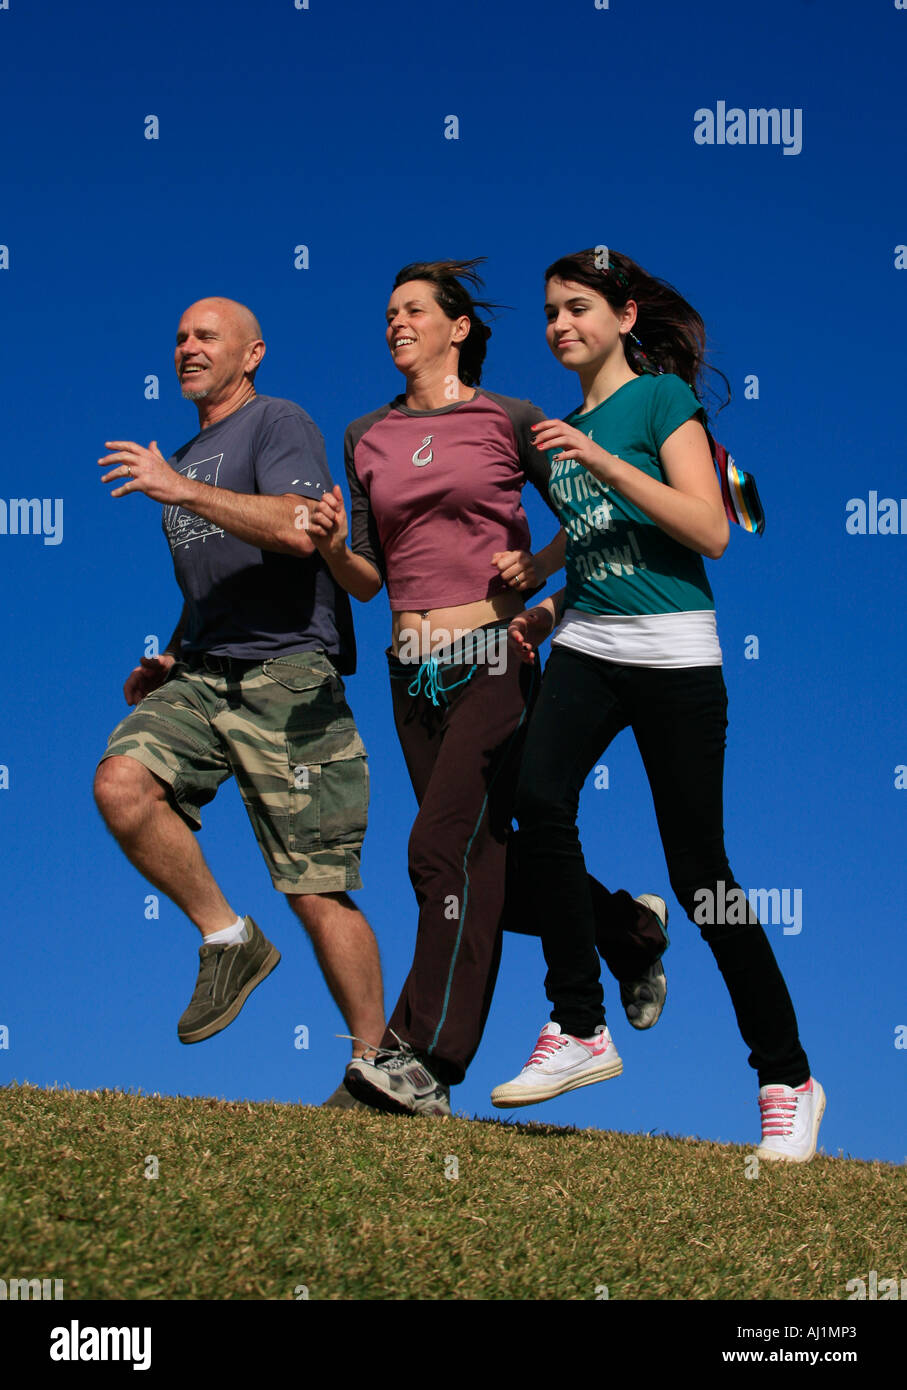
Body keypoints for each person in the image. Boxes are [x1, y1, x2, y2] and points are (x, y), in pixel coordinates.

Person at [308, 260, 669, 1118]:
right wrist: (327, 543)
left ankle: (420, 1060)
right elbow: (366, 578)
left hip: (494, 659)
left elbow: (594, 520)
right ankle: (627, 929)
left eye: (413, 311)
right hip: (410, 675)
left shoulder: (510, 420)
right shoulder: (365, 434)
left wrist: (544, 592)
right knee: (478, 863)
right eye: (387, 312)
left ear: (457, 327)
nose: (395, 323)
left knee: (437, 851)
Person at [491, 249, 825, 1163]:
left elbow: (707, 528)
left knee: (700, 875)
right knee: (533, 797)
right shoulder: (566, 431)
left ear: (625, 316)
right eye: (550, 312)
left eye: (577, 308)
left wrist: (596, 457)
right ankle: (579, 1026)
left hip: (676, 653)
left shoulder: (659, 405)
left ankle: (787, 1079)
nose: (559, 325)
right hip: (590, 645)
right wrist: (547, 590)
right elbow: (600, 538)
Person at [93, 297, 384, 1095]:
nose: (187, 347)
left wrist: (179, 490)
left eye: (205, 336)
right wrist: (174, 652)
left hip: (288, 675)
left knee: (315, 889)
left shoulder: (276, 422)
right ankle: (226, 939)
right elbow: (219, 577)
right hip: (206, 669)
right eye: (179, 335)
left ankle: (378, 1066)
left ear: (250, 354)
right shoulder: (183, 453)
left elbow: (298, 528)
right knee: (121, 783)